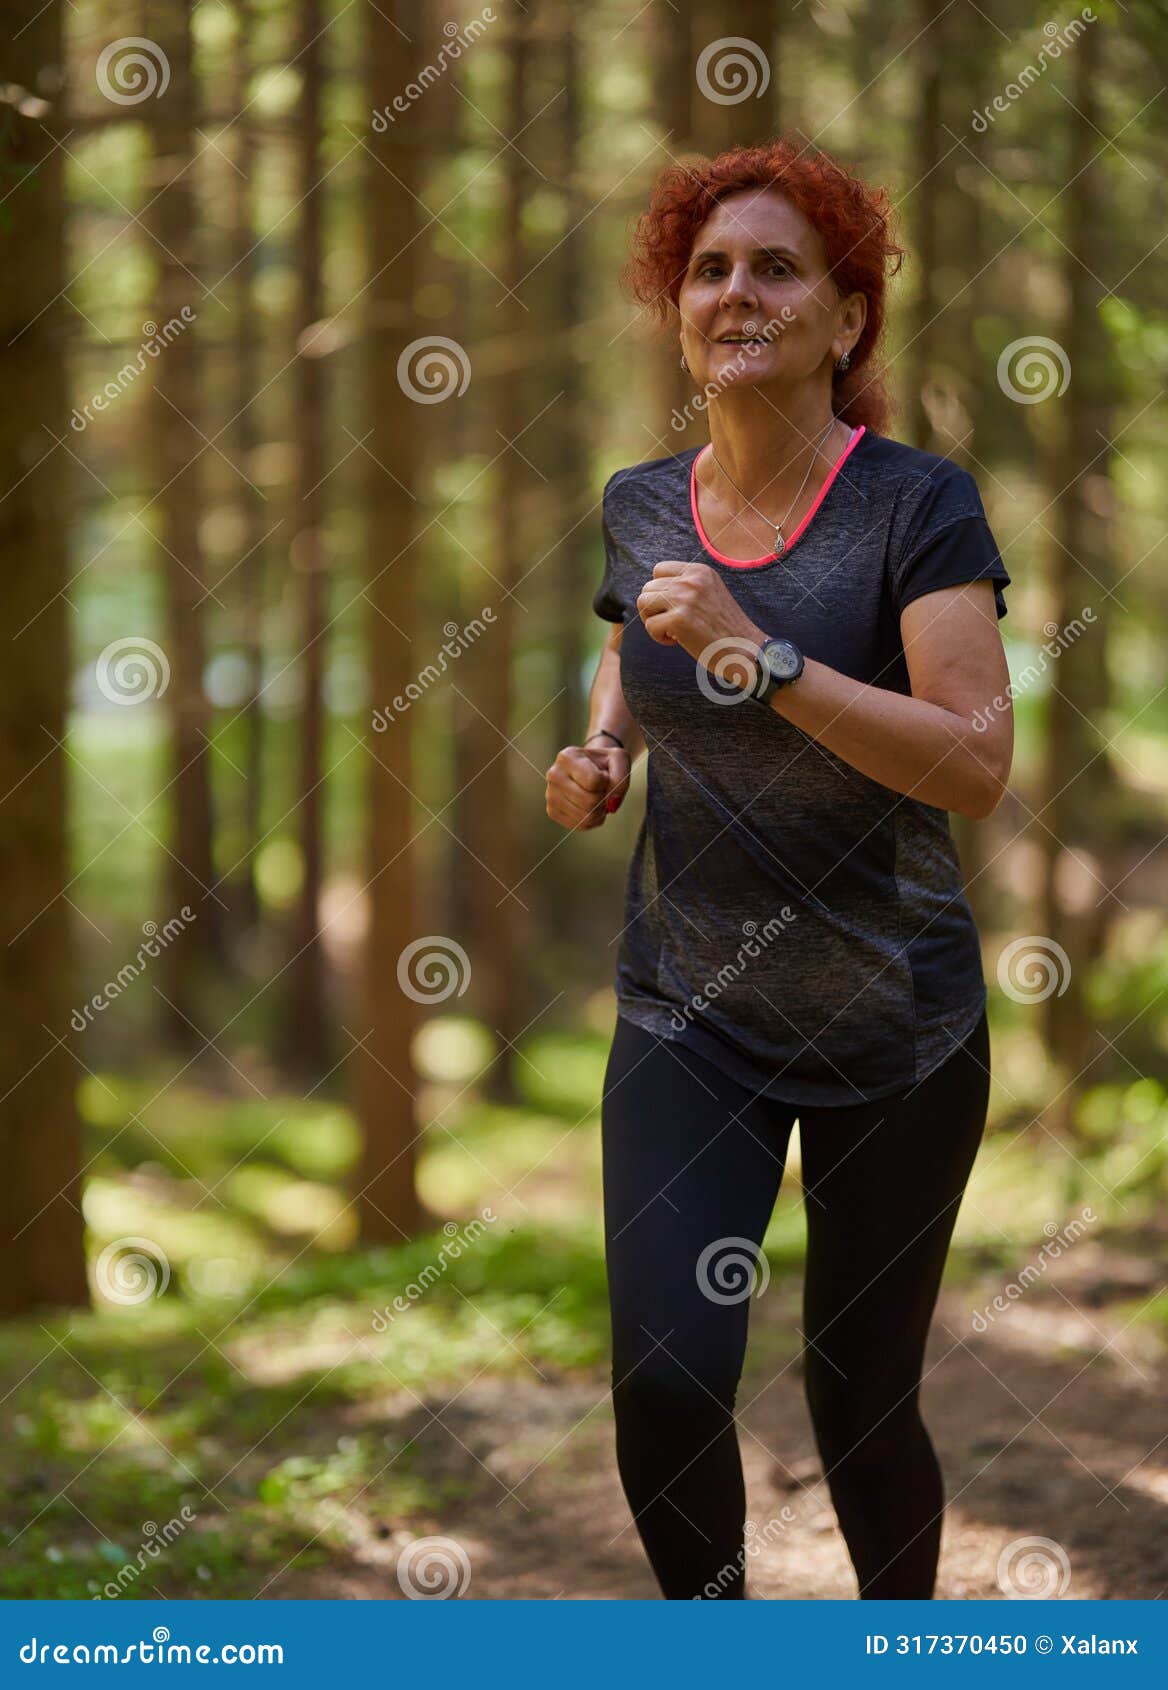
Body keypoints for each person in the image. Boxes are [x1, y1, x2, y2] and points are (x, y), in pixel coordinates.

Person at [544, 138, 1014, 1601]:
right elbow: (639, 626)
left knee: (862, 1408)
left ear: (847, 317)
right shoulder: (642, 499)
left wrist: (765, 658)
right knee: (668, 1378)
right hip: (693, 1010)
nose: (735, 292)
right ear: (678, 310)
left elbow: (975, 760)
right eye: (708, 269)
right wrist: (602, 748)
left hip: (896, 1024)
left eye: (775, 267)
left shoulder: (916, 507)